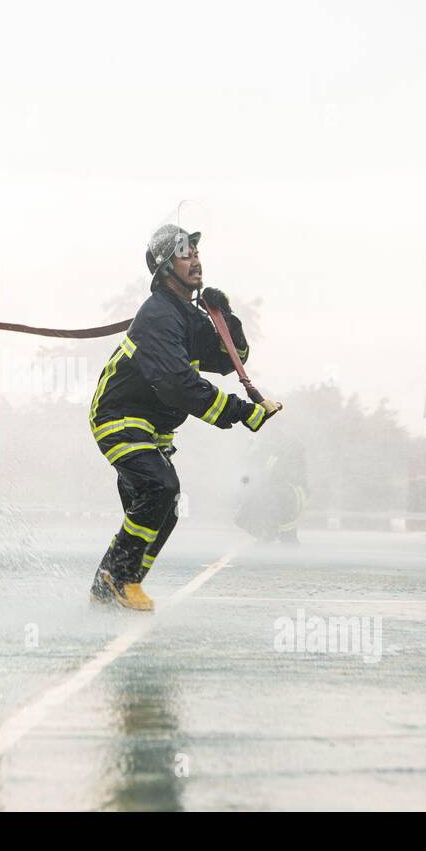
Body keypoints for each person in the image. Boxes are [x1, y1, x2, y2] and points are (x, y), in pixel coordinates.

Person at [87, 224, 282, 611]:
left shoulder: (189, 318)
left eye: (195, 252)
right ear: (163, 267)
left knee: (164, 507)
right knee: (160, 488)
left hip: (152, 427)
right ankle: (118, 579)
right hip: (120, 416)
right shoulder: (160, 316)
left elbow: (232, 357)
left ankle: (110, 589)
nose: (195, 259)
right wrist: (242, 411)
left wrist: (224, 313)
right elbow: (179, 384)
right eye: (184, 253)